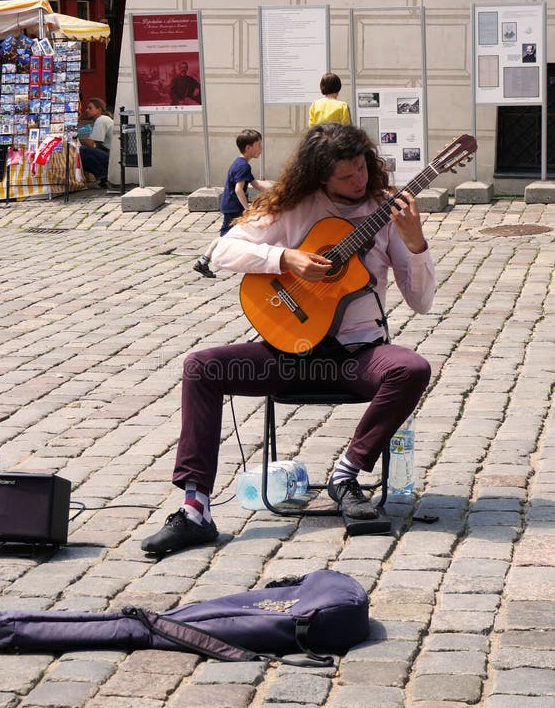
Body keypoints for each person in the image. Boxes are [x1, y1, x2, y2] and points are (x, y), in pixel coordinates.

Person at [141, 123, 436, 558]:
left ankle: (346, 475)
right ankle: (195, 510)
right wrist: (286, 257)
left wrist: (415, 244)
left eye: (362, 168)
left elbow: (422, 302)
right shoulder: (294, 207)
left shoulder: (385, 211)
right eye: (346, 175)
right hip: (290, 354)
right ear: (319, 177)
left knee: (412, 369)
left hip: (358, 356)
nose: (359, 180)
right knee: (201, 367)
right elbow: (222, 250)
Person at [194, 128, 272, 278]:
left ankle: (203, 261)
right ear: (249, 148)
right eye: (259, 145)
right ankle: (204, 261)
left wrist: (278, 189)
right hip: (234, 208)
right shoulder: (243, 166)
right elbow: (238, 190)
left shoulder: (241, 163)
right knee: (230, 236)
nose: (261, 149)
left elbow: (257, 185)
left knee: (228, 236)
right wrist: (248, 209)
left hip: (231, 206)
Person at [78, 98, 113, 186]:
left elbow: (90, 144)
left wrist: (75, 138)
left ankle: (104, 175)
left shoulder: (101, 120)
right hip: (110, 155)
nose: (87, 110)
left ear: (98, 110)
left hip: (113, 157)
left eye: (90, 108)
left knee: (82, 150)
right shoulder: (102, 120)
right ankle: (103, 177)